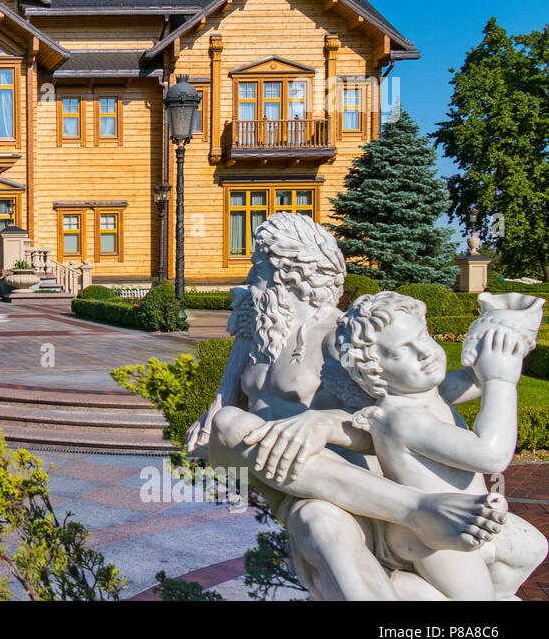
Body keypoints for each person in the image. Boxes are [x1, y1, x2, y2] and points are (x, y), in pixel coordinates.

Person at [185, 213, 505, 600]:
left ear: (293, 272)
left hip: (322, 478)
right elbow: (225, 402)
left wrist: (487, 375)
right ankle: (416, 509)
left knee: (321, 521)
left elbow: (396, 411)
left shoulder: (339, 337)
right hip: (257, 469)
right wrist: (208, 418)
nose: (253, 276)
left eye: (260, 265)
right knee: (230, 423)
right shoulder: (257, 330)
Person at [337, 292, 546, 599]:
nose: (423, 352)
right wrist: (501, 379)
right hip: (438, 535)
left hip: (478, 518)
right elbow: (491, 455)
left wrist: (506, 336)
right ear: (374, 373)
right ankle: (403, 590)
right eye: (399, 353)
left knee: (532, 547)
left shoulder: (429, 393)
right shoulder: (403, 419)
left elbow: (472, 378)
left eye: (422, 335)